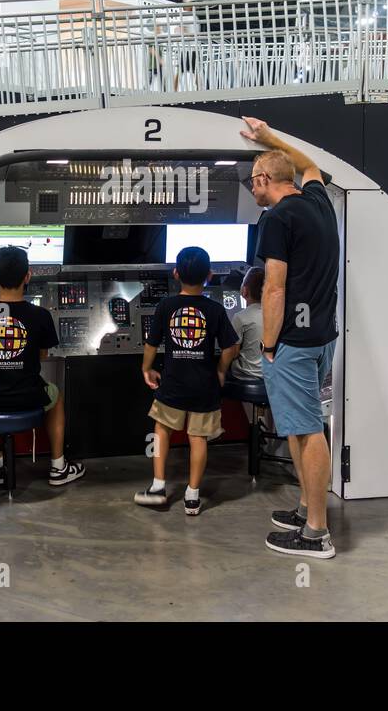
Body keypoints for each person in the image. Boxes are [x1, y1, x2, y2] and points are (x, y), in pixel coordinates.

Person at [241, 115, 339, 559]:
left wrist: (267, 344)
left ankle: (316, 533)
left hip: (293, 344)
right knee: (301, 429)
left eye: (251, 181)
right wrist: (269, 139)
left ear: (264, 179)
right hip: (322, 335)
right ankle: (306, 507)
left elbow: (273, 287)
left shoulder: (277, 219)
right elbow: (311, 165)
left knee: (308, 430)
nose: (251, 189)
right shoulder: (318, 201)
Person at [0, 246, 85, 487]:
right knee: (56, 397)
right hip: (28, 396)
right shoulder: (40, 315)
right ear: (28, 276)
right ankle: (58, 466)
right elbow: (42, 354)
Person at [136, 246, 240, 516]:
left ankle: (158, 487)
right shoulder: (215, 309)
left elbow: (151, 343)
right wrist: (220, 370)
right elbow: (231, 347)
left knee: (161, 430)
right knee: (198, 438)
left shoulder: (166, 306)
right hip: (204, 387)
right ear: (209, 275)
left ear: (175, 273)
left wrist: (147, 368)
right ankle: (192, 497)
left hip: (173, 384)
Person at [228, 266, 265, 382]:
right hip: (269, 374)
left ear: (244, 291)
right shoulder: (274, 315)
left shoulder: (240, 317)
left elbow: (233, 353)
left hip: (246, 374)